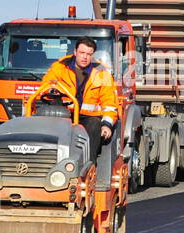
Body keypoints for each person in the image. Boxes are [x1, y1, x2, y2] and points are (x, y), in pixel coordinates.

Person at [30, 37, 119, 165]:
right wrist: (52, 92)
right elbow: (47, 84)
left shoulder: (102, 73)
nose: (85, 57)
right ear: (75, 52)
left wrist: (107, 125)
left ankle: (88, 167)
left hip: (88, 117)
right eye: (82, 53)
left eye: (89, 54)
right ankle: (47, 162)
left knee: (95, 125)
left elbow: (109, 103)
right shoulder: (60, 67)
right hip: (64, 114)